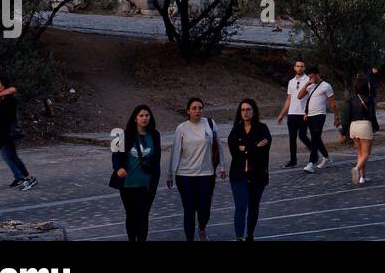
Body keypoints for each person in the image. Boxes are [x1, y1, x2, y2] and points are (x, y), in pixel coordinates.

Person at [167, 96, 228, 241]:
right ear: (188, 111)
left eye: (200, 108)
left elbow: (219, 146)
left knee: (204, 209)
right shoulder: (181, 128)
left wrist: (223, 167)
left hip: (207, 174)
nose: (197, 111)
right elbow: (175, 151)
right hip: (185, 175)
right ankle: (190, 238)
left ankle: (202, 227)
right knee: (189, 210)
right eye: (194, 108)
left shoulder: (210, 124)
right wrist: (170, 174)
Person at [111, 104, 160, 242]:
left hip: (146, 184)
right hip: (128, 183)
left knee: (144, 215)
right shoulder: (121, 135)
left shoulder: (155, 135)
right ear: (135, 118)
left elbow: (157, 160)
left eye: (147, 115)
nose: (144, 118)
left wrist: (155, 180)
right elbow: (115, 155)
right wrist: (118, 168)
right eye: (141, 116)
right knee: (131, 215)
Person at [0, 70, 37, 191]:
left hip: (6, 134)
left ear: (3, 86)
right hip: (0, 133)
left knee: (11, 157)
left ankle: (29, 178)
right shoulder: (2, 98)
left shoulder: (10, 100)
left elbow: (5, 115)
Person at [227, 98, 271, 241]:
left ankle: (249, 235)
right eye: (243, 110)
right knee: (241, 206)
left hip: (258, 175)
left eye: (248, 110)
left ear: (254, 111)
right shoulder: (236, 130)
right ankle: (239, 236)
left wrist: (245, 149)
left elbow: (263, 152)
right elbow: (234, 152)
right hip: (238, 175)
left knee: (253, 207)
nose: (245, 113)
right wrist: (254, 148)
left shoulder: (262, 128)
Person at [301, 65, 338, 173]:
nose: (310, 79)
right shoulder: (310, 85)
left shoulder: (326, 86)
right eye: (309, 77)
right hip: (310, 115)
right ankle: (326, 158)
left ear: (317, 74)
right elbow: (299, 96)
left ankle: (311, 163)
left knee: (315, 138)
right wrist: (308, 83)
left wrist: (336, 116)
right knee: (316, 137)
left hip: (320, 115)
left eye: (312, 77)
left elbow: (332, 103)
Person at [275, 59, 311, 168]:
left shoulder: (308, 80)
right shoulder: (291, 82)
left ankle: (314, 153)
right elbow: (289, 99)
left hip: (303, 113)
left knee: (303, 136)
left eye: (302, 66)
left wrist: (308, 112)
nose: (299, 68)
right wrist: (282, 114)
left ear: (304, 68)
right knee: (292, 138)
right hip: (292, 114)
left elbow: (311, 97)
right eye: (298, 66)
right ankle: (293, 161)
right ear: (294, 68)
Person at [343, 76, 379, 184]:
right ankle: (357, 169)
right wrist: (376, 127)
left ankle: (362, 177)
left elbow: (346, 117)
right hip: (365, 125)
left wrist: (344, 132)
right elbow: (372, 115)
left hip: (353, 127)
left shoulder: (351, 100)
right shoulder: (369, 99)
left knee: (360, 152)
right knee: (366, 153)